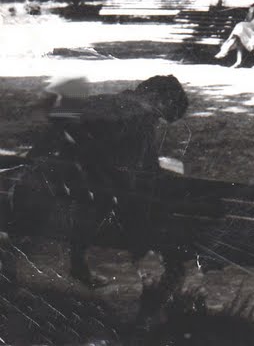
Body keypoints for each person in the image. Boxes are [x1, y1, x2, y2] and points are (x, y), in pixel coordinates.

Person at [2, 75, 191, 291]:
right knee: (129, 197)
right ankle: (145, 266)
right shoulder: (140, 120)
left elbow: (45, 144)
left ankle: (76, 263)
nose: (156, 122)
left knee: (95, 188)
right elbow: (143, 170)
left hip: (45, 185)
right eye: (159, 117)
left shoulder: (96, 102)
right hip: (88, 198)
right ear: (157, 99)